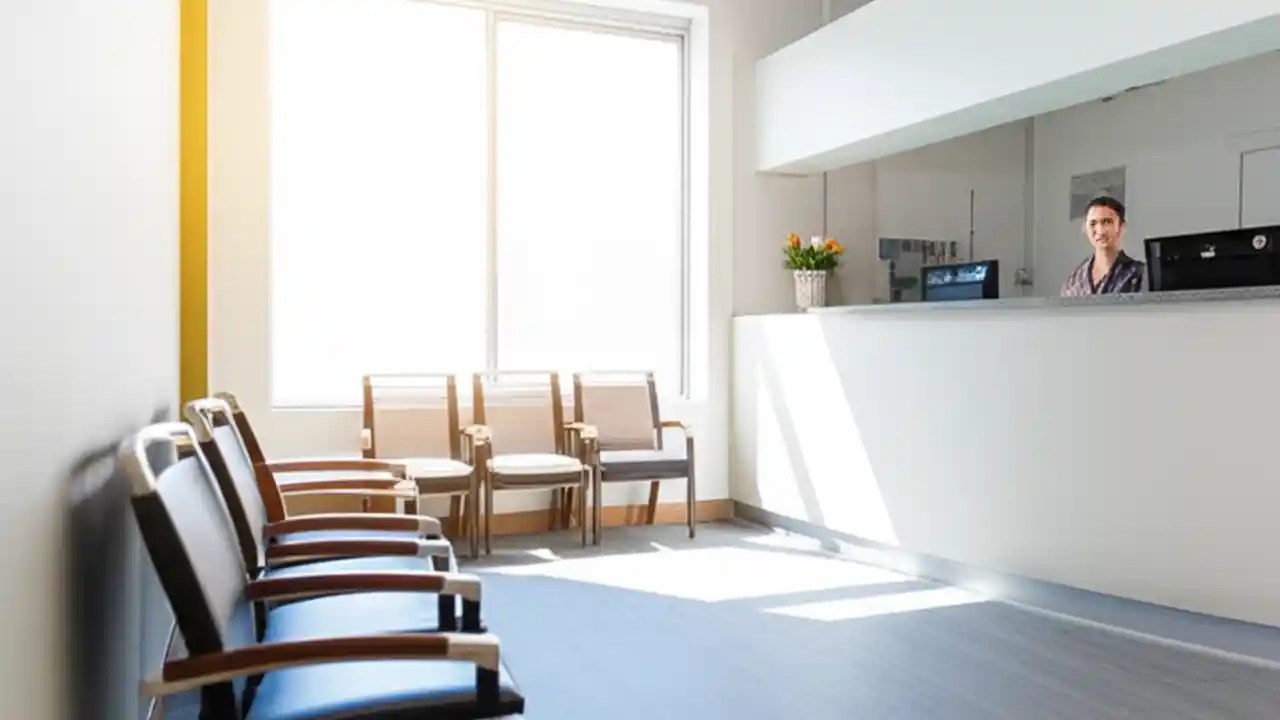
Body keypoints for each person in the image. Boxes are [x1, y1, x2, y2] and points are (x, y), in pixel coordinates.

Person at [1061, 195, 1145, 296]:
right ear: (1085, 229)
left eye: (1107, 222)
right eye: (1093, 223)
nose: (1100, 230)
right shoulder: (1074, 281)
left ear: (1122, 227)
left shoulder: (1139, 274)